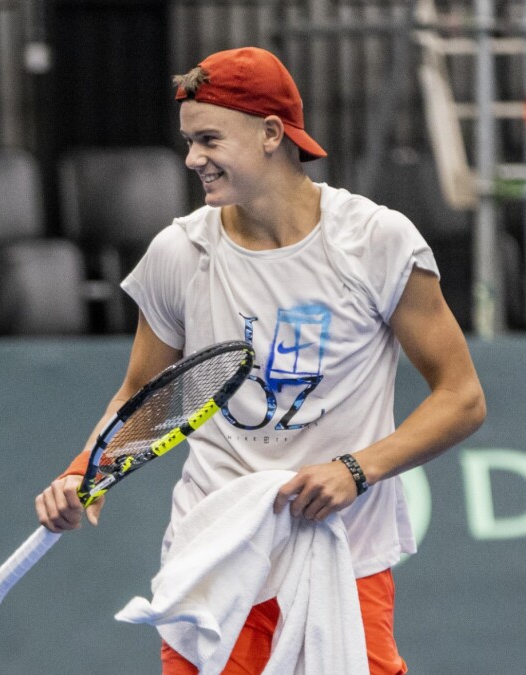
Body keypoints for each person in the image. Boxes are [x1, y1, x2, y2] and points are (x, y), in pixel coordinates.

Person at [35, 46, 486, 674]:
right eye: (189, 142)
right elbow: (144, 395)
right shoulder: (178, 253)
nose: (192, 159)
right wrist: (88, 474)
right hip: (214, 561)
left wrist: (355, 470)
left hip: (346, 560)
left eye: (209, 140)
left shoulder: (376, 241)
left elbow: (462, 398)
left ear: (272, 133)